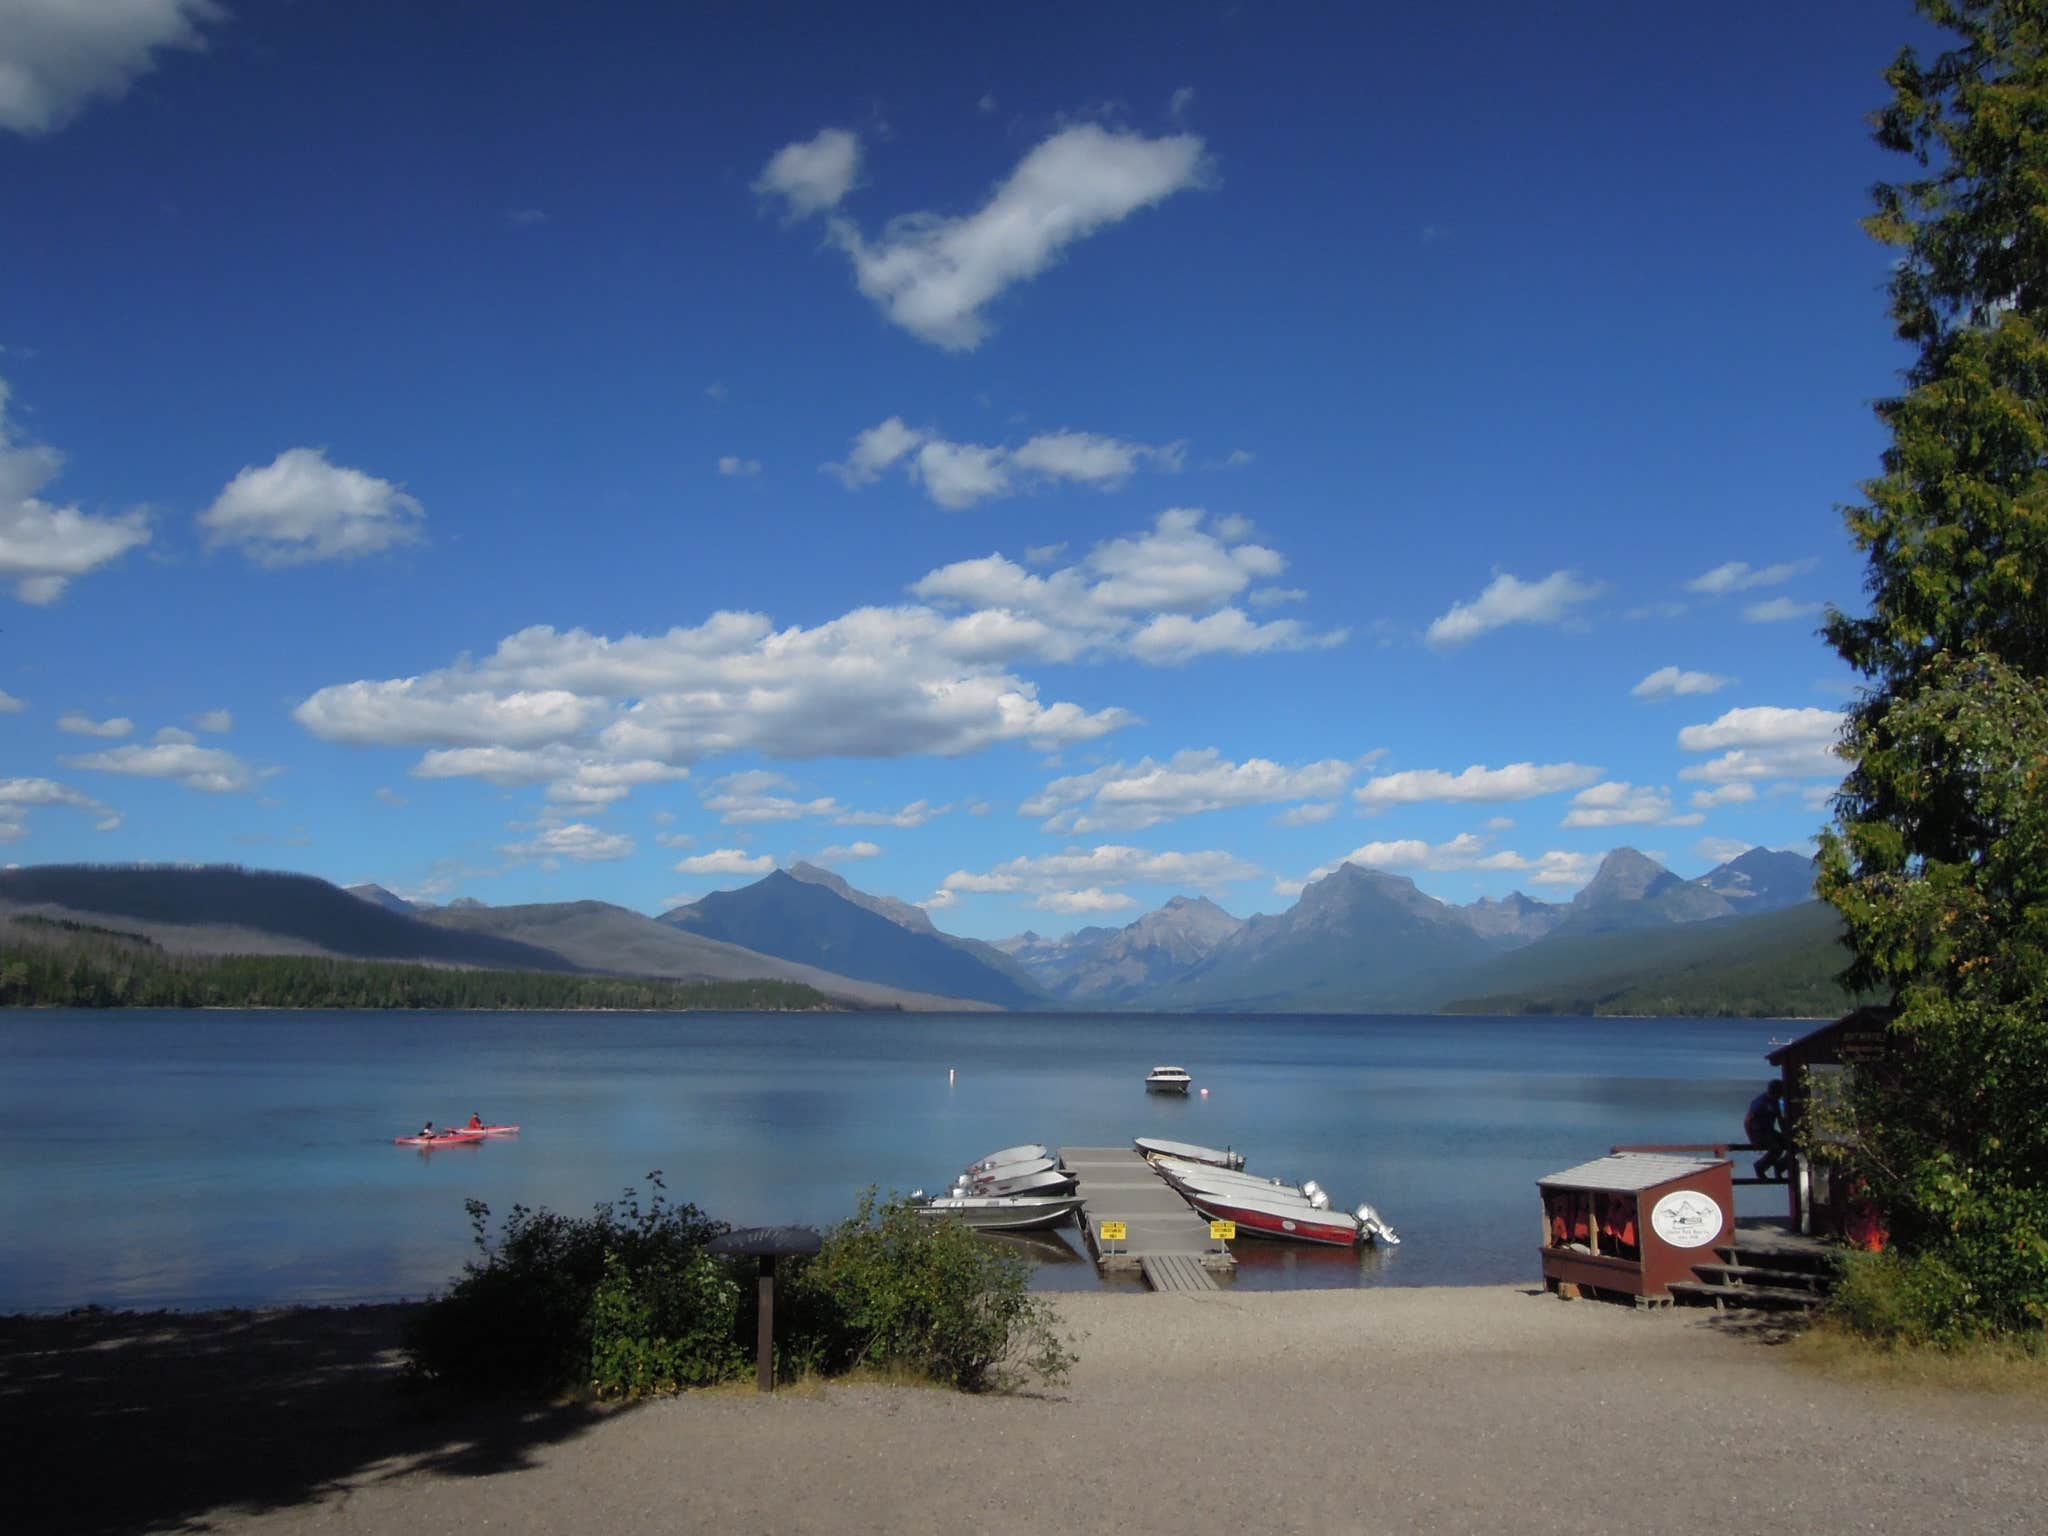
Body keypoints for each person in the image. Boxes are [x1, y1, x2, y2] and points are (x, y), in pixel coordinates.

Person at [1744, 1079, 1788, 1180]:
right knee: (1777, 1149)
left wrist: (1786, 1134)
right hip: (1758, 1132)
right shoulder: (1760, 1102)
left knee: (1792, 1145)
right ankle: (1760, 1167)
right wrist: (1752, 1139)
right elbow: (1747, 1121)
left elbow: (1779, 1119)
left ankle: (1780, 1166)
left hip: (1770, 1131)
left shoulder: (1775, 1102)